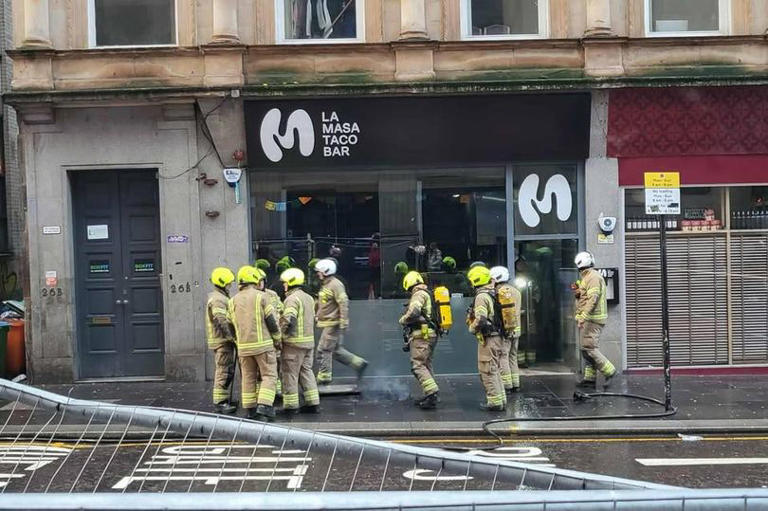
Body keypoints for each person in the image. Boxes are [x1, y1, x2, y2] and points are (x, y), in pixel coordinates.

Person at [228, 266, 281, 421]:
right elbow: (271, 320)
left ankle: (250, 409)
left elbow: (229, 324)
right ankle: (264, 406)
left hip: (244, 347)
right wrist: (277, 338)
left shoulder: (232, 301)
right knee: (269, 375)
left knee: (248, 377)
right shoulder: (261, 297)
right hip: (263, 345)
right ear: (254, 280)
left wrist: (237, 341)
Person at [314, 258, 368, 384]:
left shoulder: (336, 284)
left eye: (319, 271)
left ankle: (324, 376)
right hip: (329, 323)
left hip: (333, 323)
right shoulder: (326, 284)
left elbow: (343, 303)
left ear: (326, 271)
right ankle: (359, 364)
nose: (317, 274)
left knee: (323, 349)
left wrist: (344, 322)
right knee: (336, 351)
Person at [279, 268, 320, 415]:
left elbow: (289, 320)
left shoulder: (291, 299)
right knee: (306, 372)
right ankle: (313, 403)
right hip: (308, 343)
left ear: (290, 282)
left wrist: (280, 335)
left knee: (290, 374)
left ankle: (291, 406)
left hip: (294, 344)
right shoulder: (308, 298)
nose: (283, 285)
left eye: (284, 283)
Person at [573, 251, 616, 389]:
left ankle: (609, 371)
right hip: (589, 319)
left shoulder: (592, 277)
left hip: (593, 319)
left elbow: (593, 299)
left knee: (590, 348)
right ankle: (589, 379)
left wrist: (583, 316)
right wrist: (579, 293)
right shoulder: (588, 277)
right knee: (585, 349)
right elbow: (586, 297)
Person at [399, 271, 439, 410]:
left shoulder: (418, 294)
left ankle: (432, 393)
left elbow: (414, 311)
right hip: (430, 334)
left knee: (418, 365)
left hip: (422, 335)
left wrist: (403, 319)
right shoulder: (427, 292)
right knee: (426, 364)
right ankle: (429, 393)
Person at [467, 265, 505, 411]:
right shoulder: (493, 293)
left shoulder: (482, 296)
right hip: (498, 337)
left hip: (489, 338)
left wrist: (472, 328)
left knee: (487, 370)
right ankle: (500, 400)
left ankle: (495, 402)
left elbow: (481, 318)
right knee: (494, 369)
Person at [206, 267, 237, 414]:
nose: (230, 286)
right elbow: (221, 320)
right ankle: (220, 402)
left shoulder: (219, 297)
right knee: (223, 370)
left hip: (222, 341)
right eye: (229, 283)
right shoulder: (218, 300)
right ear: (222, 283)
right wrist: (231, 336)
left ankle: (224, 399)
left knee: (227, 370)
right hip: (222, 341)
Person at [490, 266, 522, 394]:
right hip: (517, 329)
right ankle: (516, 383)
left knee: (503, 356)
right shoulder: (516, 291)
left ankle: (506, 384)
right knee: (513, 356)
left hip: (506, 330)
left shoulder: (499, 292)